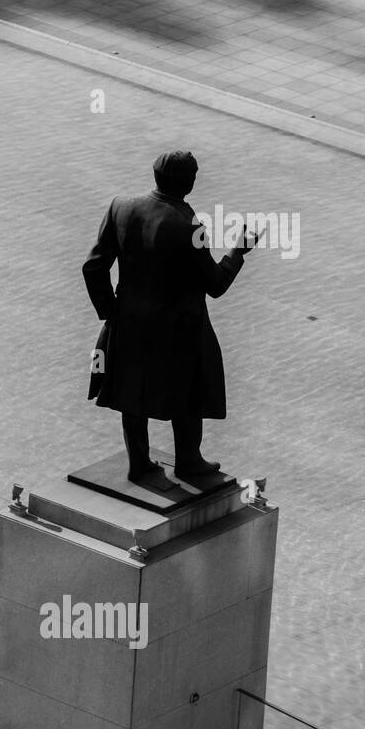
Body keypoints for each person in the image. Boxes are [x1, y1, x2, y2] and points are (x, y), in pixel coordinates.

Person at [82, 151, 260, 487]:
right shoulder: (189, 225)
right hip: (179, 329)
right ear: (189, 182)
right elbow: (215, 284)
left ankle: (139, 463)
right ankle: (189, 460)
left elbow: (93, 266)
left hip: (129, 322)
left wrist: (111, 310)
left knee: (131, 392)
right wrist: (239, 251)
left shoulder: (121, 206)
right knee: (191, 387)